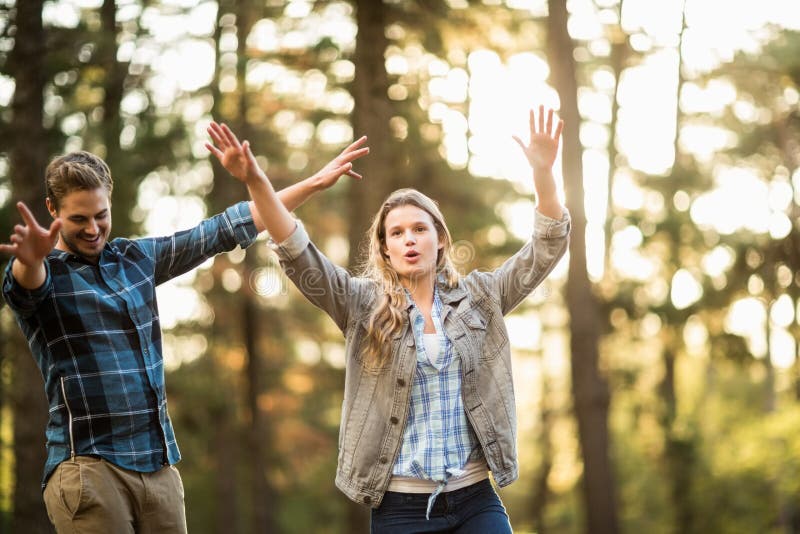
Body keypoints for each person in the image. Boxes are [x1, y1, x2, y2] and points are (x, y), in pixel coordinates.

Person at [209, 105, 571, 532]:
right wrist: (255, 180)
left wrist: (544, 176)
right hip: (401, 509)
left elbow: (544, 250)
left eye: (419, 228)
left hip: (476, 499)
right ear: (384, 249)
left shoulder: (480, 297)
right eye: (396, 233)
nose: (409, 239)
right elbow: (294, 247)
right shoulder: (360, 306)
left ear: (440, 240)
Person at [0, 136, 368, 533]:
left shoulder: (134, 259)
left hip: (158, 468)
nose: (93, 229)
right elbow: (25, 288)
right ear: (53, 209)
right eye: (78, 219)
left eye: (100, 216)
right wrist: (31, 260)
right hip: (89, 468)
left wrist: (313, 182)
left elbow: (223, 229)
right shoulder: (47, 274)